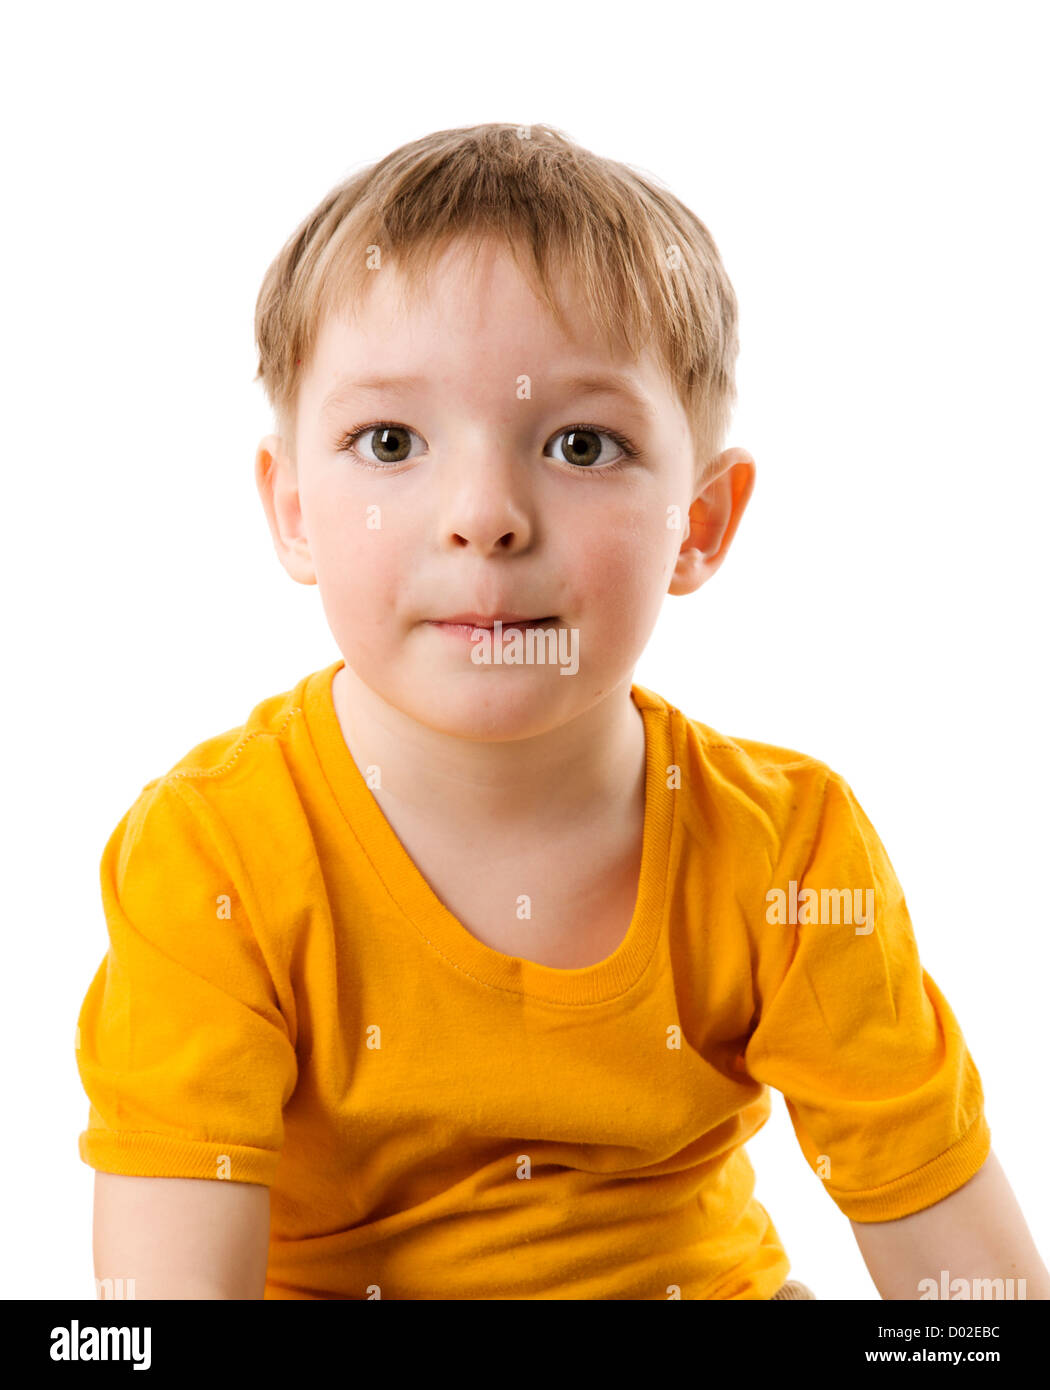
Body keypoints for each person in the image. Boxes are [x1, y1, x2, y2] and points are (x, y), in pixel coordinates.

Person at [75, 122, 1049, 1301]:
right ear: (291, 510)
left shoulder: (787, 850)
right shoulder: (211, 855)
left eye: (581, 444)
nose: (485, 515)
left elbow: (977, 1300)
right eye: (390, 441)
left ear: (701, 522)